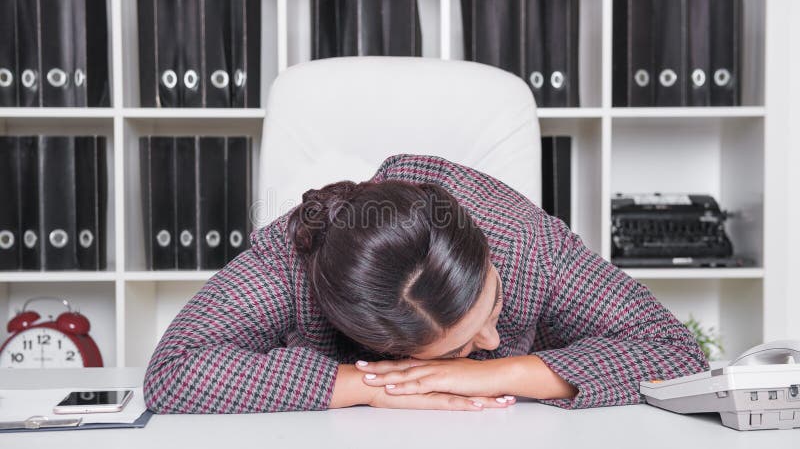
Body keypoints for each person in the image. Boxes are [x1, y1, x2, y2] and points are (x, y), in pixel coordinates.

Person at [143, 153, 709, 413]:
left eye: (491, 303)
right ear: (382, 344)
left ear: (485, 251)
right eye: (462, 346)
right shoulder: (290, 260)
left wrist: (483, 376)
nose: (489, 342)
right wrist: (378, 385)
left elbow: (677, 352)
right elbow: (172, 373)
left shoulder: (530, 244)